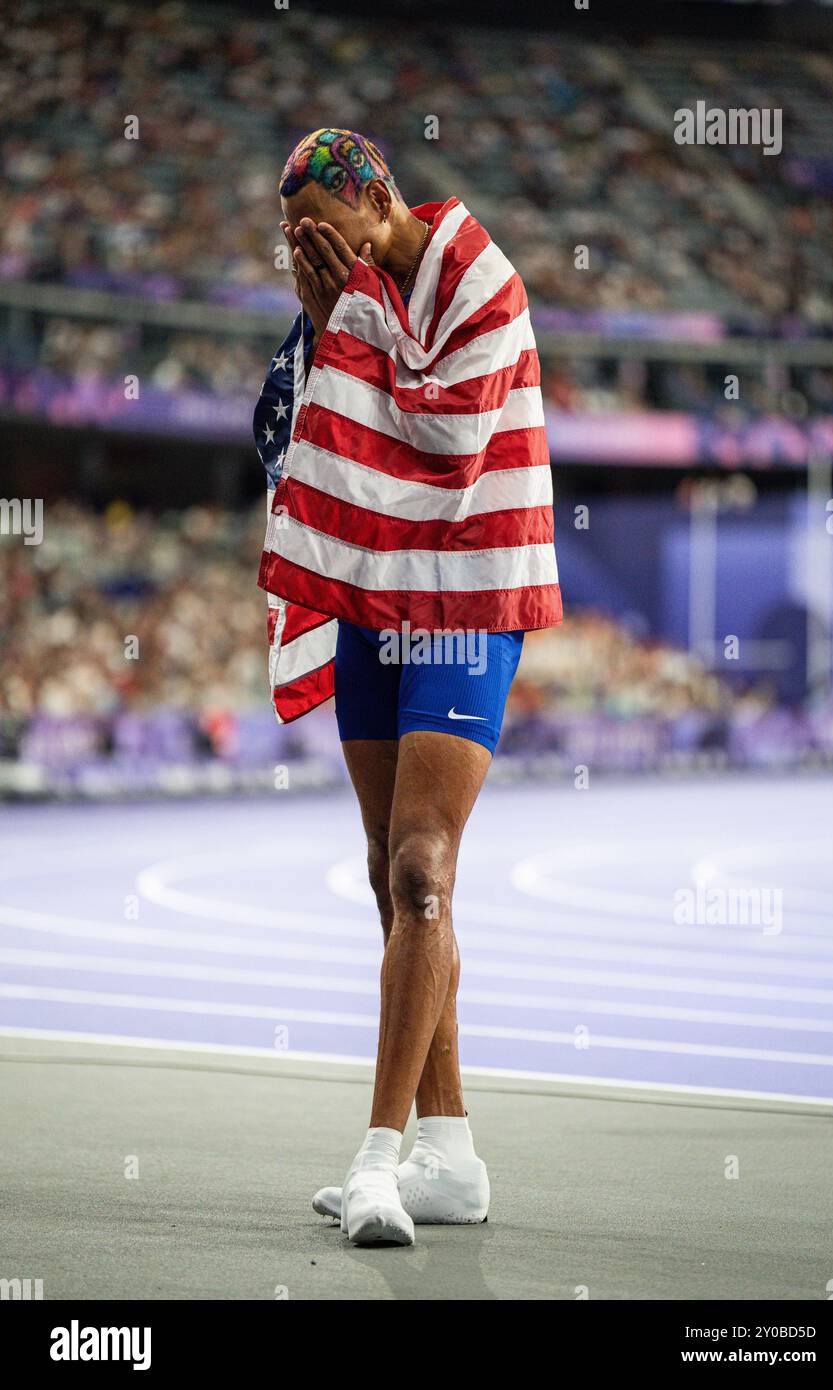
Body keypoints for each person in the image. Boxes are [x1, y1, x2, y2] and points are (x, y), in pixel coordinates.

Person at [255, 128, 561, 1245]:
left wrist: (347, 322)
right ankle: (451, 1152)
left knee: (425, 866)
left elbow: (440, 441)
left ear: (378, 196)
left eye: (326, 239)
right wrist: (321, 325)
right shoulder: (347, 305)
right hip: (369, 595)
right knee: (394, 885)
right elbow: (297, 440)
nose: (318, 260)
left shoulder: (476, 273)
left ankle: (376, 1160)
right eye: (297, 249)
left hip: (468, 589)